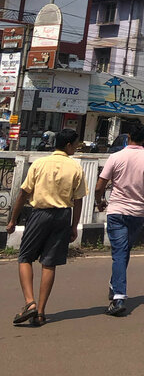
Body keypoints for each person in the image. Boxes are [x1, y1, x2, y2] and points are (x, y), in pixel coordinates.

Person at [6, 127, 87, 327]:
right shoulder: (75, 167)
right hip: (62, 216)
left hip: (39, 214)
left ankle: (29, 303)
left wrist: (13, 219)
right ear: (68, 145)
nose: (76, 148)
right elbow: (78, 201)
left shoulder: (40, 163)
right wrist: (74, 226)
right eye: (76, 144)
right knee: (49, 263)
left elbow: (23, 193)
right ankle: (41, 312)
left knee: (25, 257)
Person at [94, 122, 144, 317]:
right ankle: (115, 285)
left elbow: (100, 185)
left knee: (120, 252)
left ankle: (118, 298)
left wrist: (99, 202)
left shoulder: (115, 157)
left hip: (116, 211)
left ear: (127, 138)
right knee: (123, 251)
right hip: (137, 214)